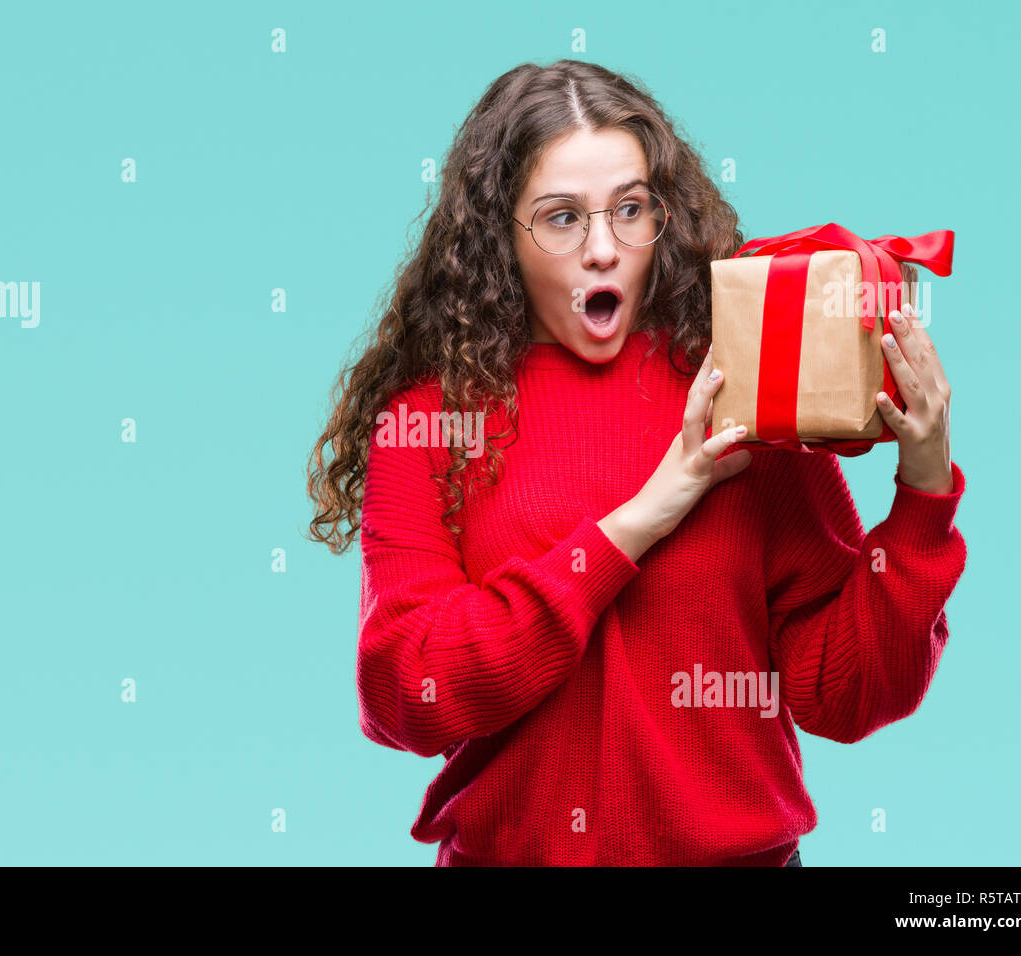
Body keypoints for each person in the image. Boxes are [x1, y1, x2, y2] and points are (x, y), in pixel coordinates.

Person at [305, 59, 966, 866]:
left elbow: (845, 693)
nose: (603, 250)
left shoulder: (739, 384)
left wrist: (925, 490)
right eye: (560, 218)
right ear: (497, 237)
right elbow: (409, 691)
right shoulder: (428, 423)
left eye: (629, 209)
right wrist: (634, 525)